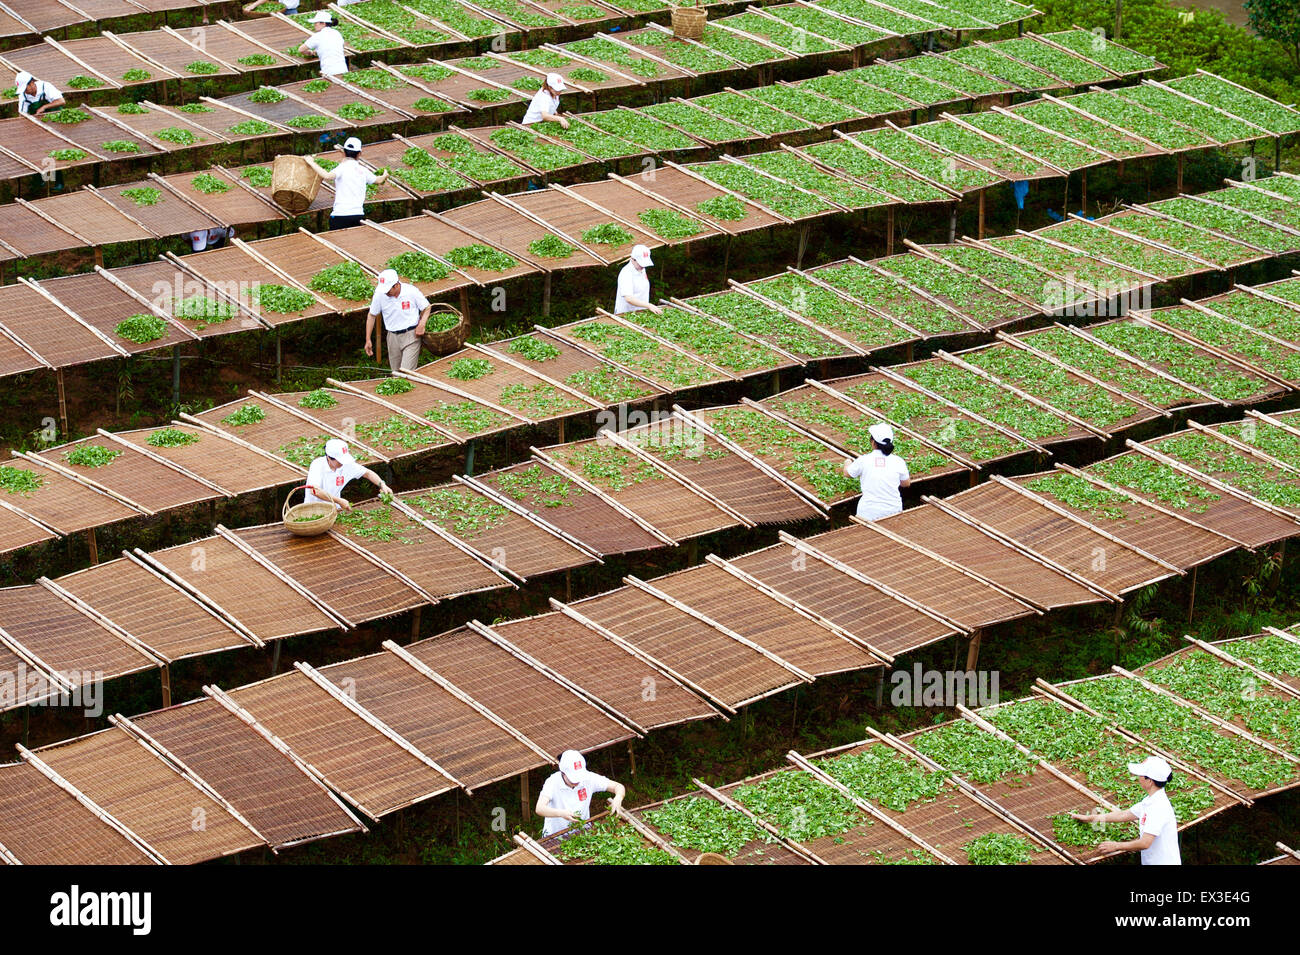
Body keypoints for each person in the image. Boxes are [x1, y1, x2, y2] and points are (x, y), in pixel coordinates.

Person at [1069, 755, 1181, 865]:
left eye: (1141, 775)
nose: (1138, 778)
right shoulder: (1150, 801)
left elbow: (1145, 843)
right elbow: (1124, 815)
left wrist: (1116, 846)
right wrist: (1090, 818)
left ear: (1149, 781)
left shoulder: (1158, 807)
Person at [302, 137, 388, 230]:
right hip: (357, 216)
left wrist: (311, 162)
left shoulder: (341, 168)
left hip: (340, 215)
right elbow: (378, 180)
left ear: (344, 152)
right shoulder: (363, 170)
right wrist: (385, 175)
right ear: (359, 154)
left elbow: (326, 175)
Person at [535, 750, 625, 838]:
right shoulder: (552, 782)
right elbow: (540, 808)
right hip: (556, 835)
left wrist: (618, 798)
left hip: (582, 832)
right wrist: (561, 813)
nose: (577, 782)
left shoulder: (588, 778)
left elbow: (618, 786)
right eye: (573, 779)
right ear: (563, 773)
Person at [367, 268, 430, 373]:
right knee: (396, 373)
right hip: (392, 337)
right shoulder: (379, 295)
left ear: (396, 285)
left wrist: (422, 324)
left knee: (406, 372)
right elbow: (371, 315)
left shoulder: (411, 291)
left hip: (411, 335)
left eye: (388, 290)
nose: (386, 293)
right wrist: (368, 339)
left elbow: (427, 307)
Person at [845, 423, 910, 521]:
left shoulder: (864, 460)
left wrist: (847, 462)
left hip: (868, 512)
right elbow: (906, 484)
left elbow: (848, 473)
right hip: (893, 511)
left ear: (873, 443)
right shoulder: (898, 461)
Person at [303, 437, 390, 508]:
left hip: (334, 509)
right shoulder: (317, 465)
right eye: (339, 461)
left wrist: (382, 485)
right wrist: (339, 500)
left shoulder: (347, 464)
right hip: (313, 510)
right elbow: (314, 491)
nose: (342, 463)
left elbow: (367, 473)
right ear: (329, 457)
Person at [294, 11, 348, 77]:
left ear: (323, 23)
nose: (315, 25)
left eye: (316, 23)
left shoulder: (318, 36)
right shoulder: (337, 33)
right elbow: (337, 46)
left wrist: (310, 53)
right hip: (343, 69)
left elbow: (301, 49)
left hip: (329, 71)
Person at [614, 244, 660, 315]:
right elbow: (628, 298)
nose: (643, 266)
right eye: (641, 264)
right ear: (633, 259)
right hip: (626, 313)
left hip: (640, 311)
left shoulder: (641, 269)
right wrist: (649, 305)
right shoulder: (626, 273)